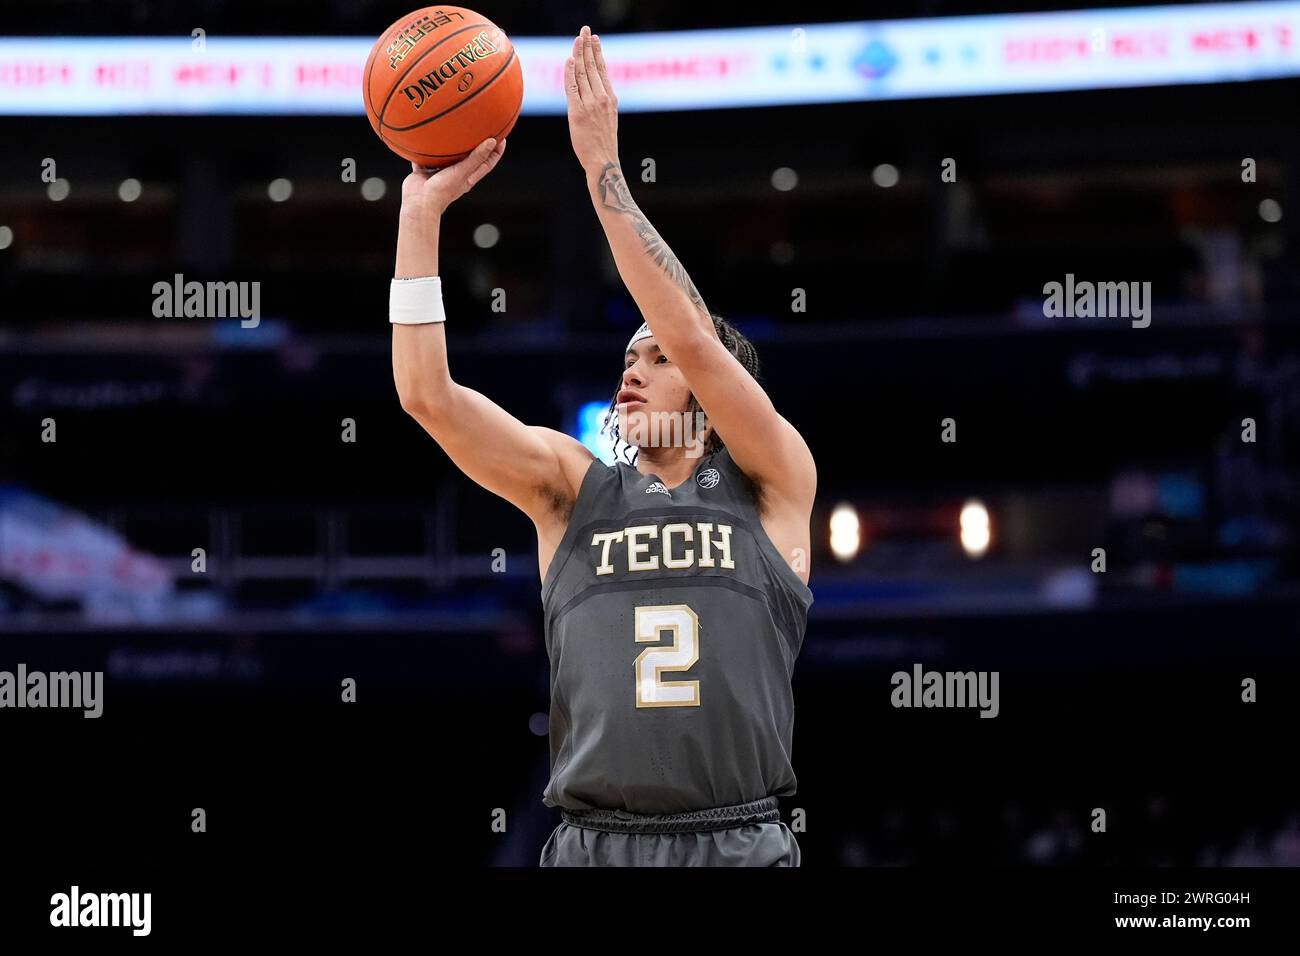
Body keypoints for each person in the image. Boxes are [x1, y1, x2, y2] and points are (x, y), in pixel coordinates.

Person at [390, 26, 816, 866]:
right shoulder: (570, 485)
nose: (634, 369)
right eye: (627, 357)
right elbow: (425, 396)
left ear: (712, 385)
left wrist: (602, 173)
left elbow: (694, 335)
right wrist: (420, 219)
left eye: (655, 358)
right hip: (593, 843)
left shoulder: (772, 481)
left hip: (739, 840)